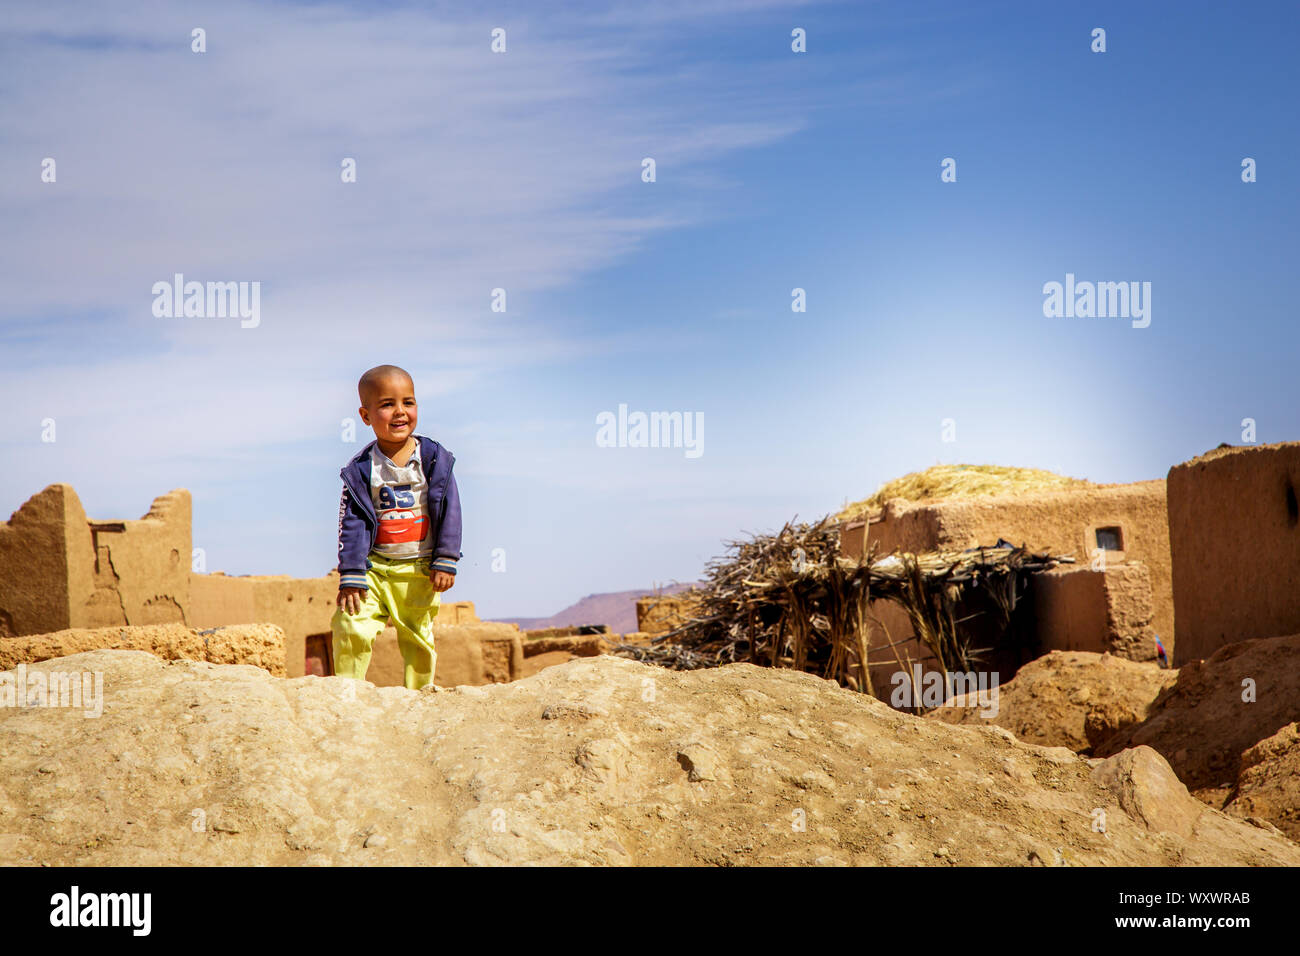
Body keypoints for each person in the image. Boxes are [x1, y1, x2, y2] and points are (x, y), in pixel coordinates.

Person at [331, 364, 462, 689]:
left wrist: (446, 558)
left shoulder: (434, 460)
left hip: (418, 570)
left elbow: (450, 510)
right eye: (387, 404)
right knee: (350, 624)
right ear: (365, 415)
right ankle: (348, 695)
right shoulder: (361, 469)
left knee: (418, 637)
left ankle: (418, 701)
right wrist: (352, 572)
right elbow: (352, 522)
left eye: (408, 402)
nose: (400, 412)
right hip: (374, 569)